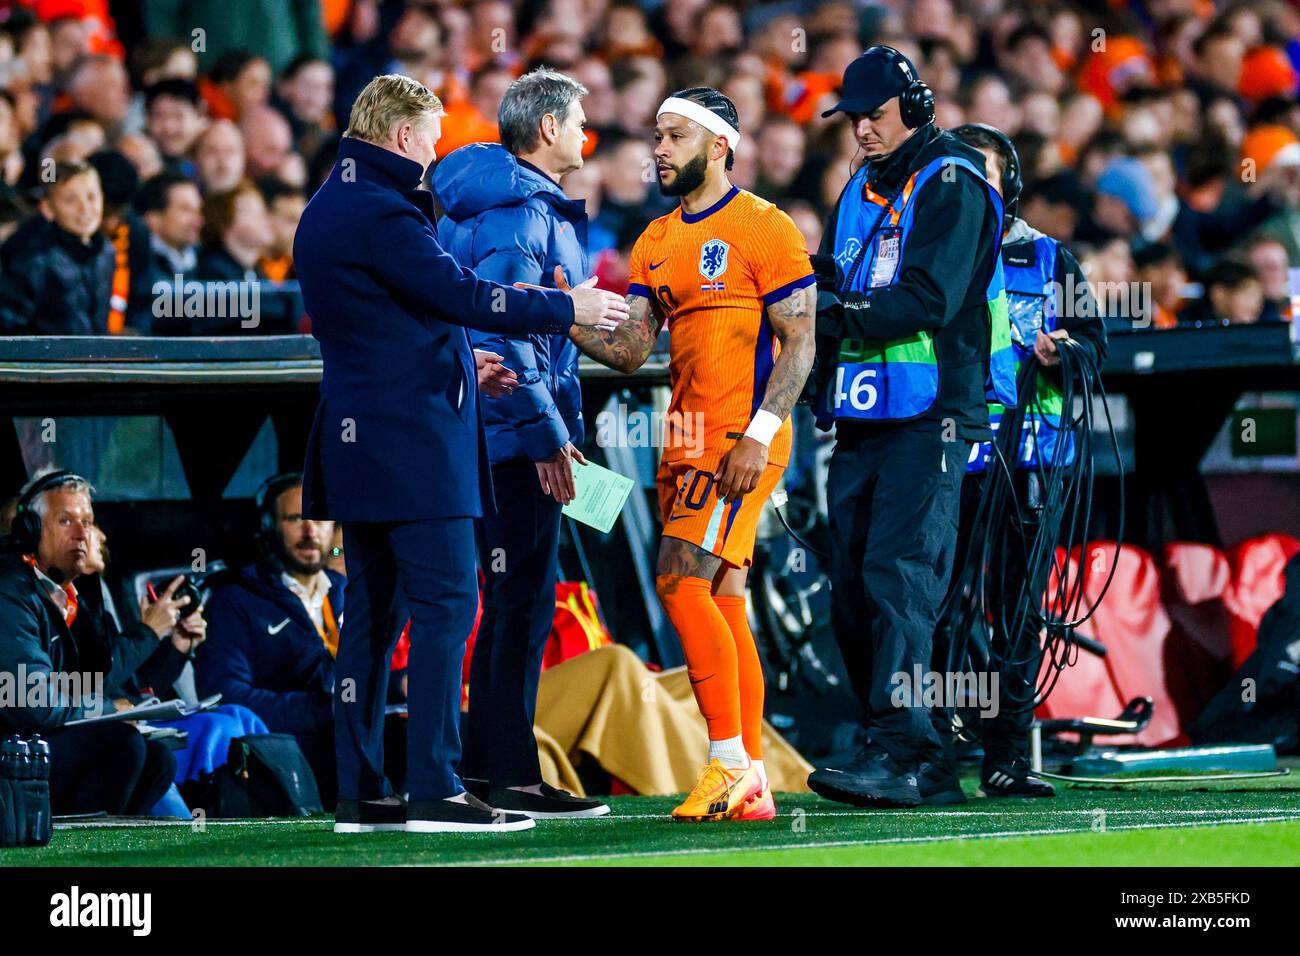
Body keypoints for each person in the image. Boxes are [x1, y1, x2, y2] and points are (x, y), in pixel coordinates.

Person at [293, 73, 627, 835]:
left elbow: (386, 325)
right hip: (415, 445)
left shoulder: (325, 209)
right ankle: (438, 790)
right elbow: (466, 295)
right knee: (451, 605)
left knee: (372, 616)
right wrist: (567, 306)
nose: (436, 152)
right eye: (433, 137)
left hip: (359, 438)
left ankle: (363, 794)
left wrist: (450, 359)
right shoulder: (383, 210)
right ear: (406, 136)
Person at [569, 86, 816, 821]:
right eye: (656, 136)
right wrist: (560, 312)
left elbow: (800, 341)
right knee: (725, 603)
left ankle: (729, 763)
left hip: (739, 440)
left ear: (719, 145)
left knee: (680, 583)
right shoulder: (654, 240)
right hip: (681, 441)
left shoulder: (765, 226)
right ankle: (757, 778)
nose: (659, 150)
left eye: (674, 137)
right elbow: (630, 350)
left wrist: (760, 437)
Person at [803, 47, 1016, 808]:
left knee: (900, 581)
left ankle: (899, 751)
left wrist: (828, 312)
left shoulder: (953, 182)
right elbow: (836, 273)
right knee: (855, 588)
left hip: (934, 418)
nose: (861, 130)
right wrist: (800, 292)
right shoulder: (860, 184)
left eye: (874, 115)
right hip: (864, 412)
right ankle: (914, 755)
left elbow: (928, 298)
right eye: (852, 119)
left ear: (917, 108)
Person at [433, 68, 608, 819]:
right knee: (520, 605)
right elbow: (505, 327)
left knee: (511, 603)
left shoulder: (490, 199)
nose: (585, 136)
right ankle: (506, 773)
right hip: (513, 441)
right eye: (578, 123)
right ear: (547, 131)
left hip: (489, 434)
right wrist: (548, 437)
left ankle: (494, 765)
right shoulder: (520, 209)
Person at [946, 123, 1108, 798]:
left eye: (982, 172)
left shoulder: (1049, 258)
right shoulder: (933, 252)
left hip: (1032, 460)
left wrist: (1065, 348)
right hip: (950, 456)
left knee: (1018, 610)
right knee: (934, 603)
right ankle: (931, 749)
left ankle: (1007, 754)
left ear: (1010, 184)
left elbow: (1096, 345)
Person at [198, 473, 396, 807]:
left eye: (319, 518)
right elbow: (223, 694)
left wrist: (398, 685)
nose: (310, 531)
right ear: (268, 527)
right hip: (288, 753)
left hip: (357, 737)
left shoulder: (349, 592)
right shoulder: (236, 599)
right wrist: (323, 710)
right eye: (295, 519)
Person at [0, 471, 182, 815]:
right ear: (30, 530)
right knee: (122, 745)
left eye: (88, 521)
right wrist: (111, 710)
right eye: (66, 520)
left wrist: (175, 649)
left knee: (159, 759)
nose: (83, 533)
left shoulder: (69, 599)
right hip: (13, 753)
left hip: (34, 748)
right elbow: (32, 702)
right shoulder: (10, 592)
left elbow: (95, 680)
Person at [0, 160, 114, 334]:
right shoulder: (32, 259)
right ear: (47, 208)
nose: (85, 208)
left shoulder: (105, 252)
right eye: (70, 200)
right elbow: (9, 327)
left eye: (92, 196)